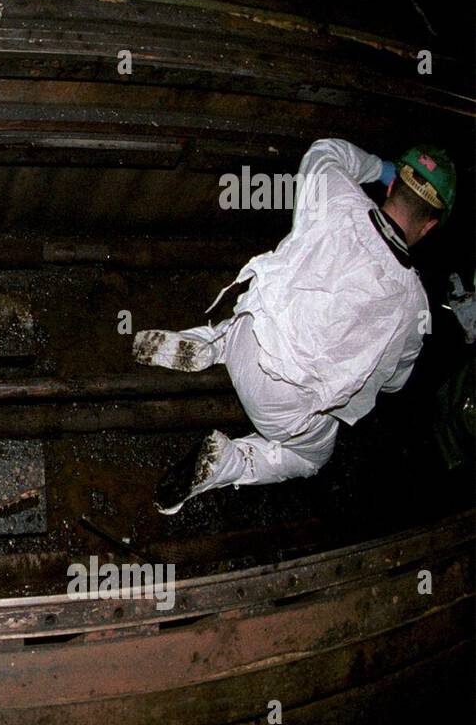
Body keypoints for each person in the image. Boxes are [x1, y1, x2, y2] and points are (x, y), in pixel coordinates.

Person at [133, 139, 456, 514]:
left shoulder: (338, 198)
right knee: (312, 458)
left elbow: (325, 151)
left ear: (390, 188)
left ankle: (206, 345)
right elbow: (393, 382)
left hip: (247, 335)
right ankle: (228, 461)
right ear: (430, 226)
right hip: (279, 405)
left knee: (269, 304)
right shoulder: (413, 305)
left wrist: (378, 167)